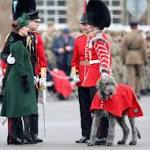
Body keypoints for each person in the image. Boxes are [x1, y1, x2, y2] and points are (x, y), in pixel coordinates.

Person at [71, 0, 112, 144]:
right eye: (85, 24)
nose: (87, 27)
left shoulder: (101, 39)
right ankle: (87, 133)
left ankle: (102, 134)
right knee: (85, 108)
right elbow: (75, 60)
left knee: (99, 108)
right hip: (83, 77)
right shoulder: (80, 40)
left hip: (96, 77)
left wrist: (104, 75)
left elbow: (106, 59)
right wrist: (75, 75)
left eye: (88, 24)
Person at [0, 13, 38, 144]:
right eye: (27, 25)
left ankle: (26, 135)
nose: (30, 27)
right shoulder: (12, 38)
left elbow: (35, 58)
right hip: (16, 73)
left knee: (27, 107)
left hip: (28, 73)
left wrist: (36, 74)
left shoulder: (31, 36)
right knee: (15, 106)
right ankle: (14, 136)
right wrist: (8, 59)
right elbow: (4, 53)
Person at [27, 10, 48, 143]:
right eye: (36, 22)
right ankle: (24, 133)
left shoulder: (37, 37)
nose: (38, 24)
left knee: (33, 104)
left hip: (35, 74)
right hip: (24, 73)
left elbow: (42, 58)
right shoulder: (21, 35)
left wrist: (43, 76)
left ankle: (33, 133)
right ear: (29, 22)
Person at [121, 20, 147, 99]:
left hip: (129, 57)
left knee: (130, 77)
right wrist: (145, 60)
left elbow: (123, 49)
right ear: (137, 26)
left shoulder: (126, 36)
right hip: (139, 58)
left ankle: (132, 93)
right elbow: (144, 49)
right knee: (138, 76)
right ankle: (137, 92)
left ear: (130, 26)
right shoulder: (140, 36)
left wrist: (124, 59)